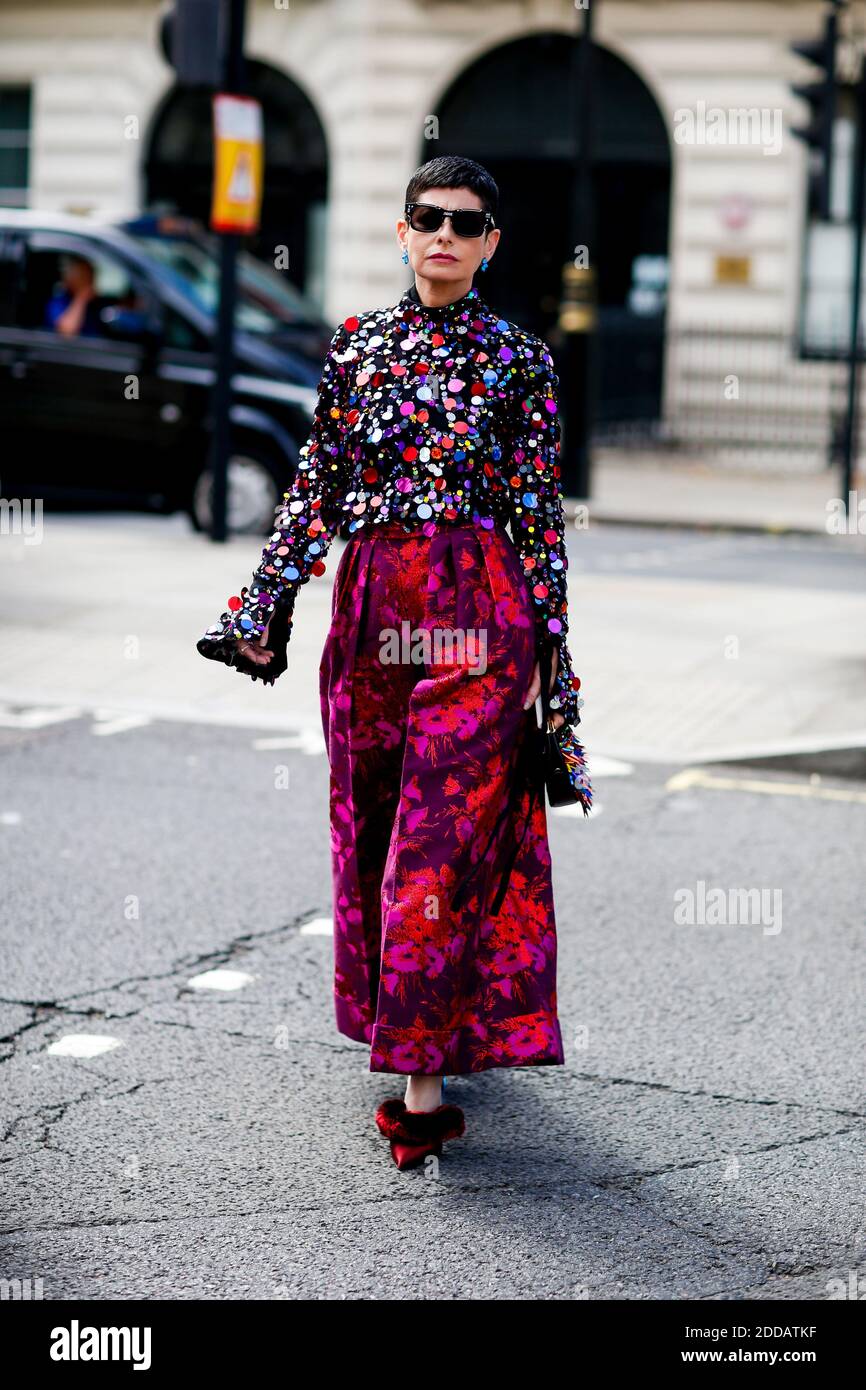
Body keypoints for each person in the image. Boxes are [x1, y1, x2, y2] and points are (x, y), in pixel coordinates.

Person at [196, 156, 591, 1170]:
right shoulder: (355, 348)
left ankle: (419, 1092)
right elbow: (315, 487)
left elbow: (537, 520)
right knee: (372, 829)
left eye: (465, 221)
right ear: (402, 231)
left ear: (491, 242)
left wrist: (553, 662)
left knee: (433, 842)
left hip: (478, 612)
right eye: (428, 217)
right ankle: (424, 1027)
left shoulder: (519, 360)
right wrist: (261, 605)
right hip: (369, 609)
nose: (445, 234)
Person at [44, 255, 104, 338]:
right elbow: (67, 332)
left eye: (91, 275)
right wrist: (81, 298)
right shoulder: (58, 302)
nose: (89, 281)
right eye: (84, 276)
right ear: (70, 279)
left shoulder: (94, 303)